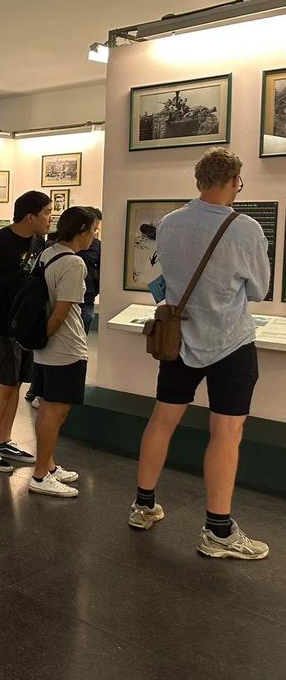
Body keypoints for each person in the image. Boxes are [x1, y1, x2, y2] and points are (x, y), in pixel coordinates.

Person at [130, 148, 270, 560]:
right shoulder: (245, 228)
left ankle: (143, 505)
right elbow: (259, 289)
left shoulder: (170, 222)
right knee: (227, 432)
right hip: (231, 341)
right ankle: (218, 530)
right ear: (234, 182)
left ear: (198, 181)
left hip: (179, 339)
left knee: (162, 420)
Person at [0, 190, 52, 472]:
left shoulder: (38, 242)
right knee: (4, 384)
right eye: (46, 213)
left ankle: (3, 439)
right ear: (30, 216)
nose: (49, 218)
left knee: (16, 383)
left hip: (24, 325)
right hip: (2, 325)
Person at [27, 206, 97, 498]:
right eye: (93, 230)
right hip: (64, 348)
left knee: (46, 409)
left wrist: (39, 341)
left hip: (47, 349)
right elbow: (61, 313)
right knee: (56, 411)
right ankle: (40, 474)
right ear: (81, 230)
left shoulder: (49, 253)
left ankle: (48, 465)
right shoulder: (73, 263)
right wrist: (45, 336)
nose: (94, 236)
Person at [77, 208, 102, 334]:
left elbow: (102, 269)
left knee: (85, 326)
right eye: (93, 229)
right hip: (67, 295)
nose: (94, 233)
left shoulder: (97, 244)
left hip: (88, 295)